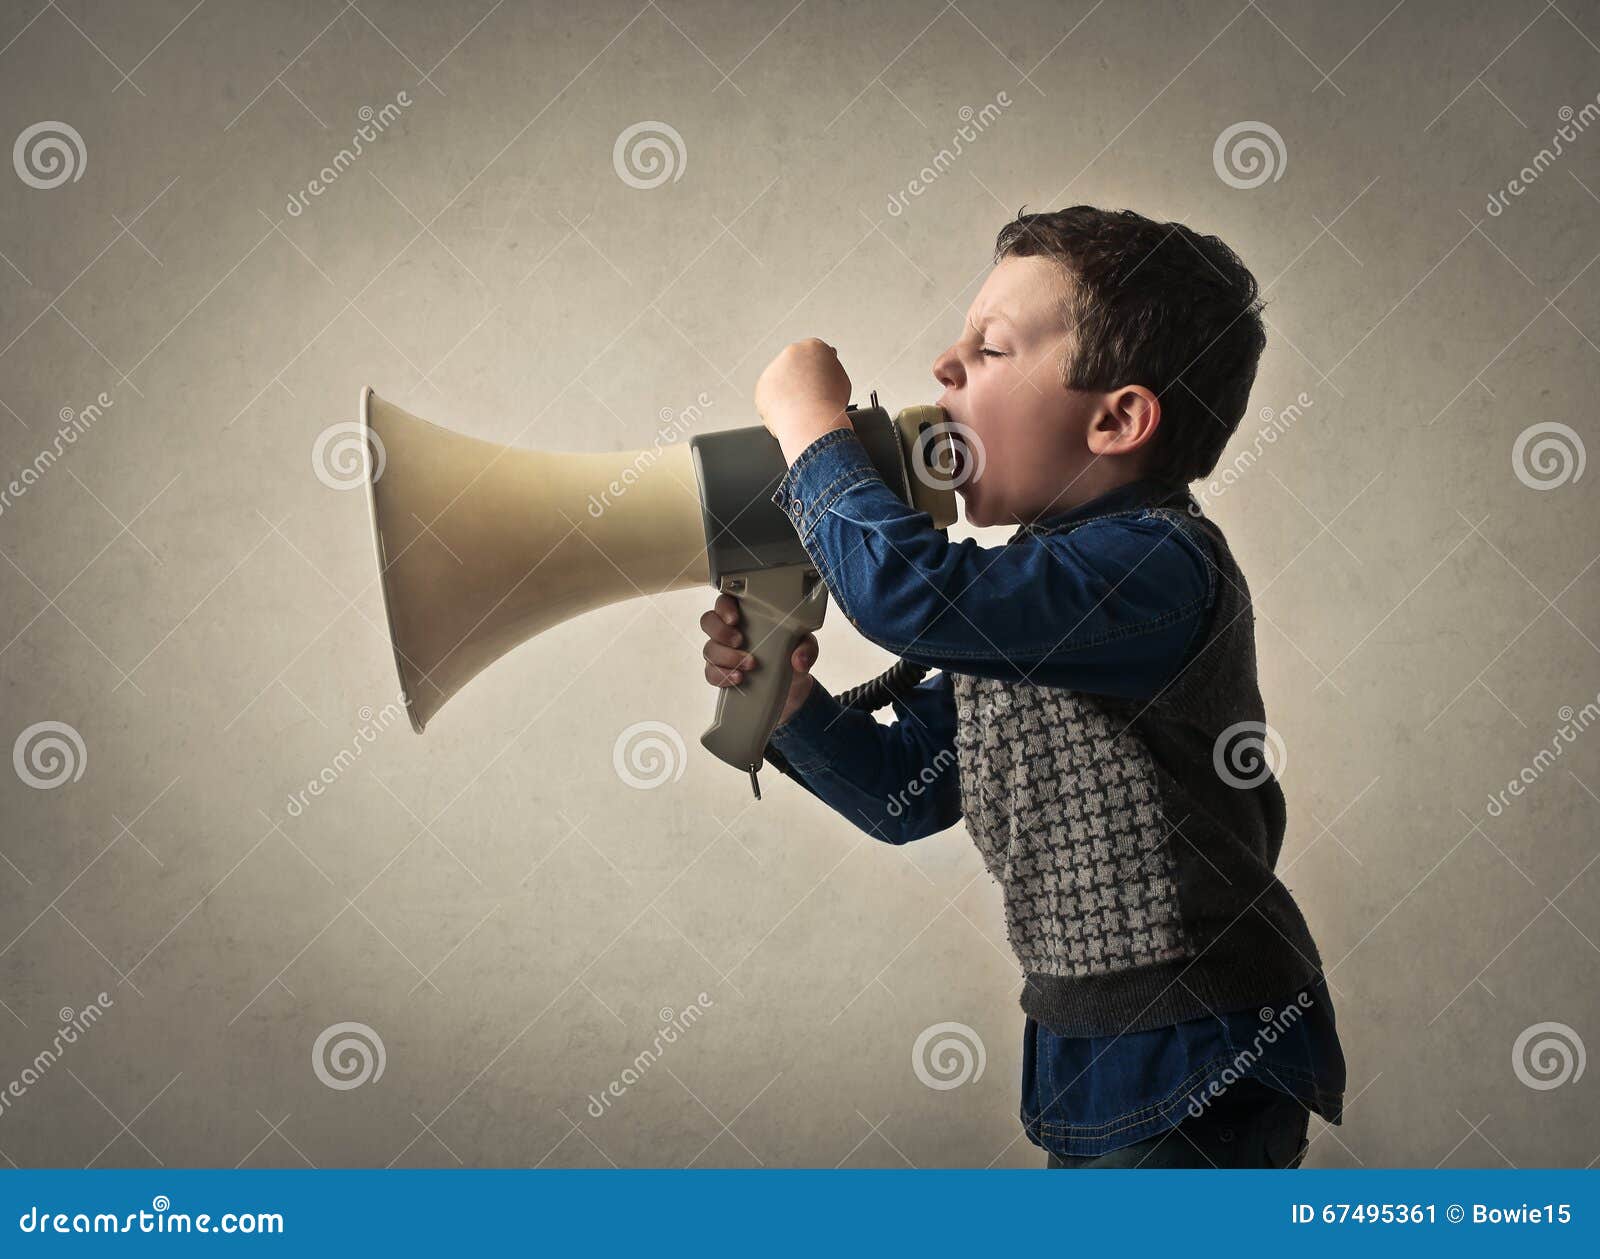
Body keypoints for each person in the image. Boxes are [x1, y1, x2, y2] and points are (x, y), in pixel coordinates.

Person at [700, 206, 1344, 1168]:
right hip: (1096, 1054)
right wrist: (795, 711)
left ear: (1117, 418)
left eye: (989, 349)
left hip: (1204, 1048)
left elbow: (907, 594)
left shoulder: (1155, 567)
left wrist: (812, 432)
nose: (943, 366)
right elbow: (899, 791)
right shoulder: (1028, 599)